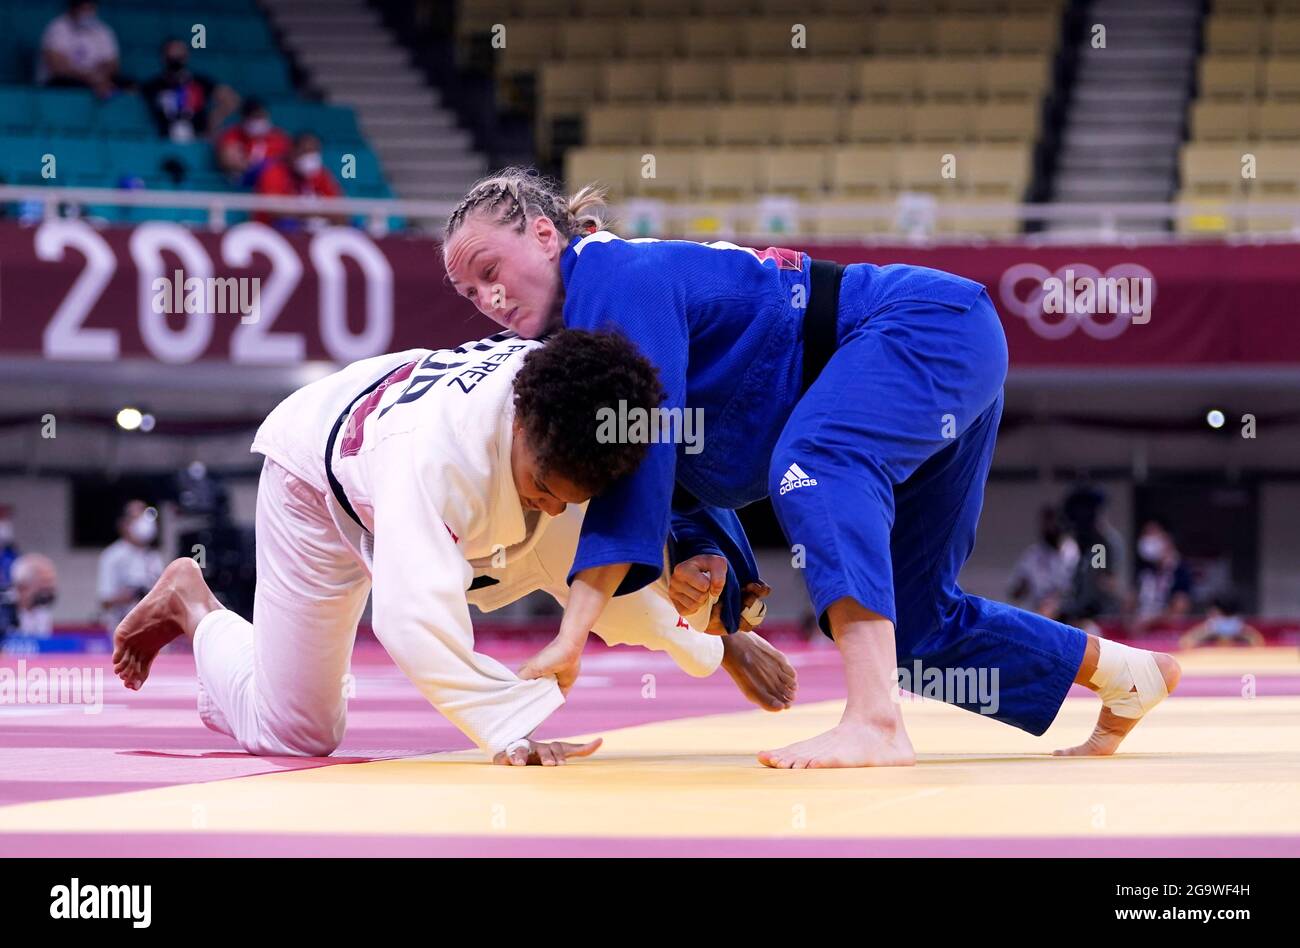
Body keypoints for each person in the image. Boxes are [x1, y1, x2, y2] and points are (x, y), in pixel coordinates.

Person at [440, 168, 1183, 768]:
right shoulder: (584, 339)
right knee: (917, 624)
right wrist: (719, 595)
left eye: (489, 269)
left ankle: (875, 723)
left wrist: (573, 633)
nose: (488, 298)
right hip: (944, 344)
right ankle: (1125, 674)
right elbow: (678, 461)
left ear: (545, 235)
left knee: (818, 463)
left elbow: (646, 453)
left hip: (917, 326)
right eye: (469, 292)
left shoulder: (612, 275)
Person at [112, 331, 795, 766]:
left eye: (568, 494)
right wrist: (510, 728)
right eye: (546, 487)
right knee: (298, 733)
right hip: (323, 486)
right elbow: (410, 619)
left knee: (620, 596)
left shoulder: (582, 394)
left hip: (472, 488)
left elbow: (654, 491)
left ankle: (720, 644)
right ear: (525, 430)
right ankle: (196, 606)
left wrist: (721, 626)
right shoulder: (435, 463)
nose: (555, 506)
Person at [140, 38, 239, 143]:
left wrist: (214, 119)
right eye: (172, 58)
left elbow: (232, 99)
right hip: (165, 140)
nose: (176, 62)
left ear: (186, 56)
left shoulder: (199, 82)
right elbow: (132, 95)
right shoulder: (153, 85)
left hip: (197, 138)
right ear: (163, 58)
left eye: (179, 57)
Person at [98, 500, 164, 634]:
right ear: (124, 524)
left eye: (145, 517)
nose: (144, 523)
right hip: (122, 628)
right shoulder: (112, 556)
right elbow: (105, 600)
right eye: (136, 518)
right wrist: (130, 595)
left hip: (153, 628)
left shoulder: (154, 557)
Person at [36, 1, 125, 98]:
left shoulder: (103, 30)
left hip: (96, 80)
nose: (87, 13)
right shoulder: (57, 28)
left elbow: (113, 65)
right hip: (62, 82)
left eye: (91, 9)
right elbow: (58, 68)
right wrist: (91, 79)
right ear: (73, 8)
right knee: (68, 81)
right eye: (84, 9)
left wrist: (100, 78)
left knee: (129, 85)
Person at [254, 132, 343, 228]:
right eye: (306, 152)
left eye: (315, 152)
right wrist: (311, 213)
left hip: (314, 230)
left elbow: (339, 208)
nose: (310, 158)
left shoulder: (321, 175)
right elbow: (274, 210)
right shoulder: (274, 172)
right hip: (274, 231)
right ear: (292, 152)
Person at [1007, 506, 1078, 620]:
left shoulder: (1073, 551)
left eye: (1052, 524)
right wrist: (1023, 586)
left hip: (1067, 612)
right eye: (1045, 525)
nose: (1048, 529)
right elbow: (1015, 592)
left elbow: (1074, 588)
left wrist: (1054, 601)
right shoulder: (1032, 554)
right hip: (1038, 611)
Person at [1133, 520, 1195, 633]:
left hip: (1167, 636)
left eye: (1153, 535)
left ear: (1167, 539)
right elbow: (1133, 601)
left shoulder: (1180, 570)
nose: (1148, 540)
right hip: (1140, 635)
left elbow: (1180, 608)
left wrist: (1150, 621)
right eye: (1146, 534)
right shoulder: (1146, 569)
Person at [217, 98, 291, 185]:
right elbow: (229, 162)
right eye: (256, 117)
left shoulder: (278, 137)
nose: (260, 121)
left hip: (273, 181)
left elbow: (289, 161)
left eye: (263, 117)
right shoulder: (232, 135)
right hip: (241, 184)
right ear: (245, 118)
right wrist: (261, 166)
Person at [0, 553, 59, 642]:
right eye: (44, 582)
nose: (50, 589)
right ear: (23, 586)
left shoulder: (42, 613)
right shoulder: (3, 610)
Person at [1180, 593, 1264, 649]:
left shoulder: (1221, 623)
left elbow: (1255, 639)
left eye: (1213, 611)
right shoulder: (1215, 624)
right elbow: (1188, 640)